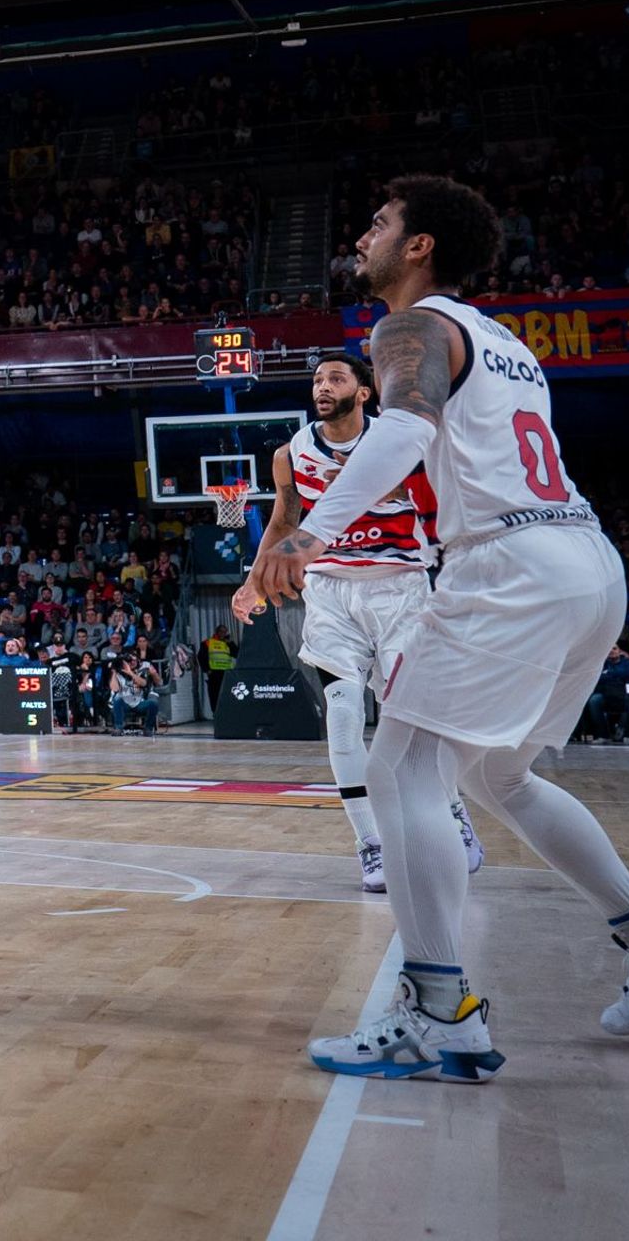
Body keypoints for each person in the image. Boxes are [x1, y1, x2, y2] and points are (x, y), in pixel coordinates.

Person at [246, 175, 629, 1082]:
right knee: (496, 772)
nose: (363, 236)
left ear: (421, 246)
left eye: (379, 224)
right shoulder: (506, 342)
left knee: (399, 769)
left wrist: (311, 535)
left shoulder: (408, 328)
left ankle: (440, 1010)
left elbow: (400, 435)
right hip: (586, 562)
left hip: (507, 565)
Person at [234, 353, 483, 893]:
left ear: (365, 392)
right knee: (343, 715)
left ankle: (454, 816)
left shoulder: (399, 442)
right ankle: (370, 843)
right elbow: (283, 521)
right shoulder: (291, 453)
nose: (323, 387)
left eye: (336, 378)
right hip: (330, 593)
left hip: (400, 589)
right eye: (318, 379)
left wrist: (402, 490)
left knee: (413, 723)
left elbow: (443, 498)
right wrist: (254, 579)